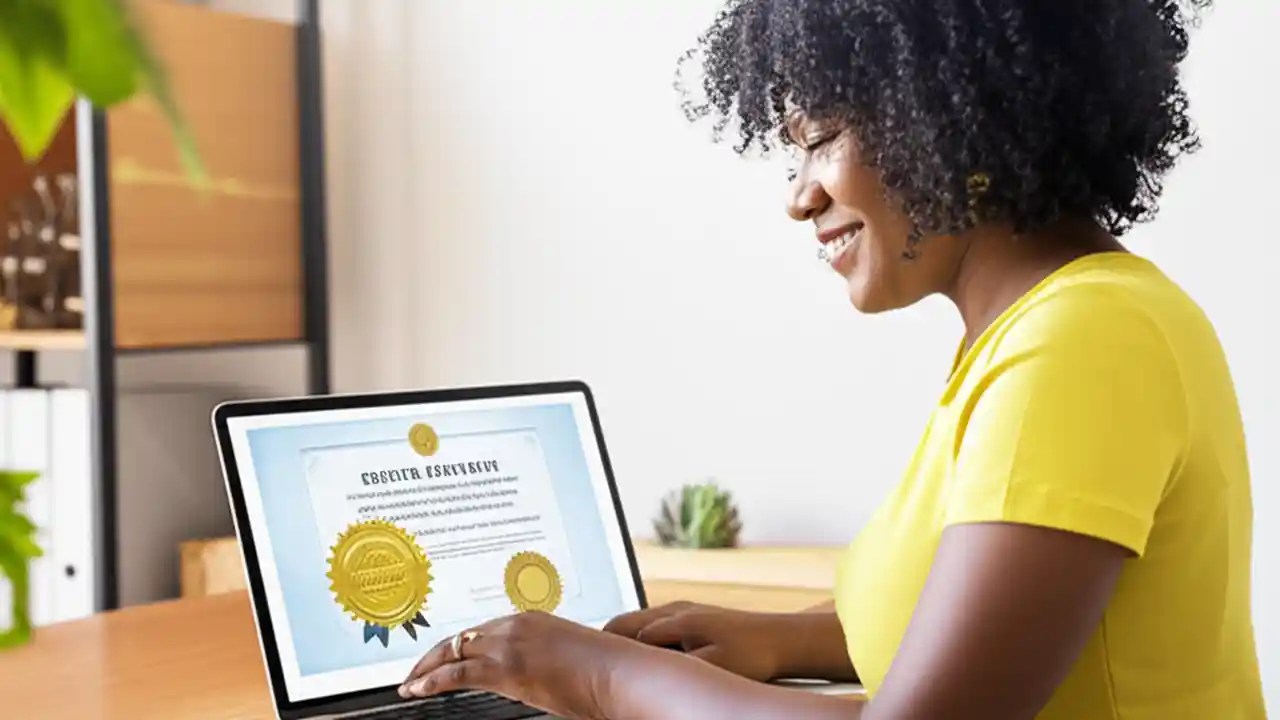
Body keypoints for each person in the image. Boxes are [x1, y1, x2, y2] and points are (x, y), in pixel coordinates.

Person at [398, 0, 1266, 717]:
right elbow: (988, 627)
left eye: (819, 140)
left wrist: (595, 676)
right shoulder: (1045, 328)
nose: (797, 195)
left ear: (950, 115)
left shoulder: (1081, 343)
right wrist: (780, 639)